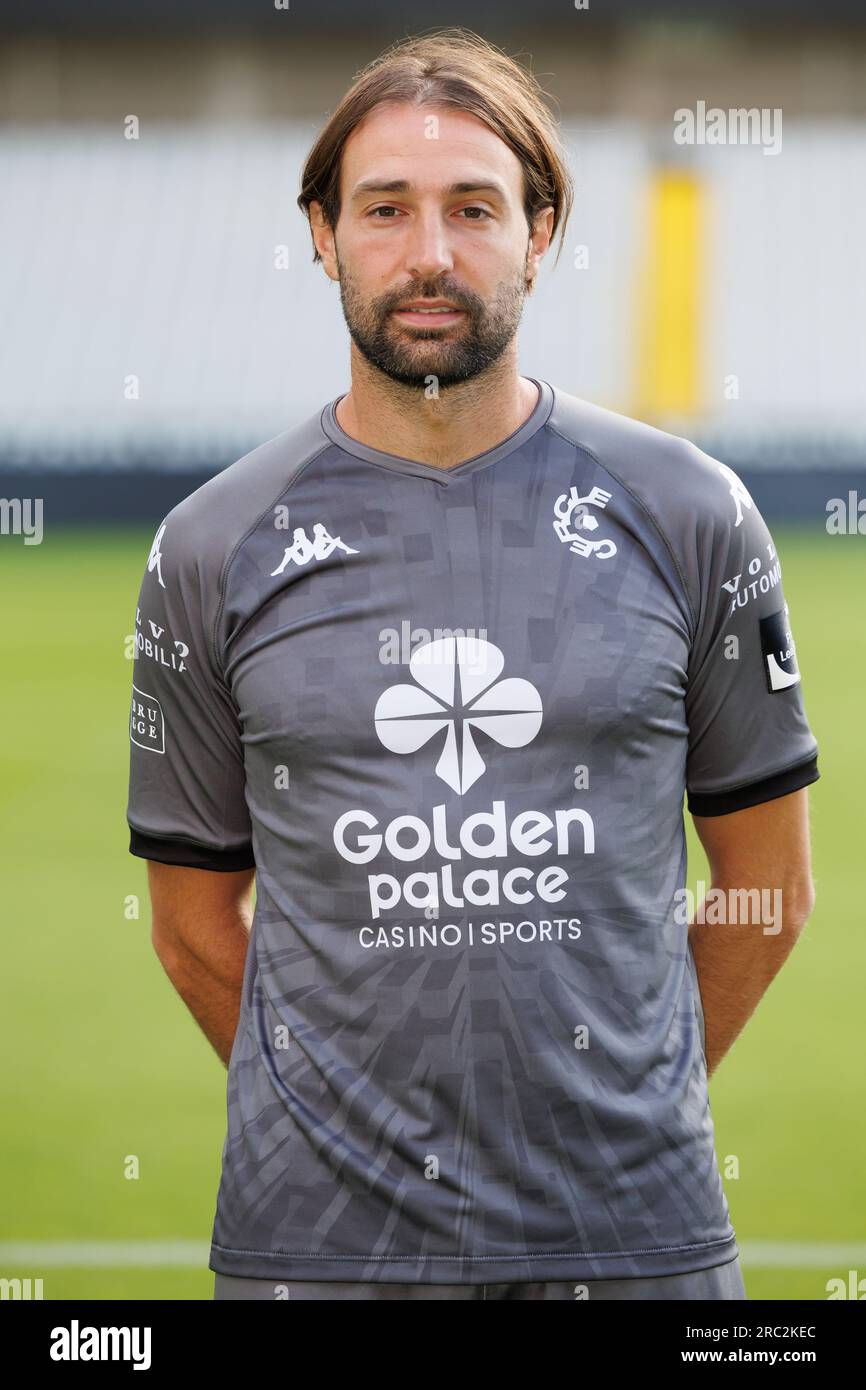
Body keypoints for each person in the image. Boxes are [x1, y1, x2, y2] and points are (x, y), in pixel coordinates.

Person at [126, 29, 818, 1302]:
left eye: (473, 209)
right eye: (384, 209)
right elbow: (187, 925)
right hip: (321, 1258)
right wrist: (351, 1139)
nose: (429, 254)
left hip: (634, 1247)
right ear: (322, 233)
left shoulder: (688, 511)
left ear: (541, 230)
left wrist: (622, 1104)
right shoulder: (212, 545)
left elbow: (766, 889)